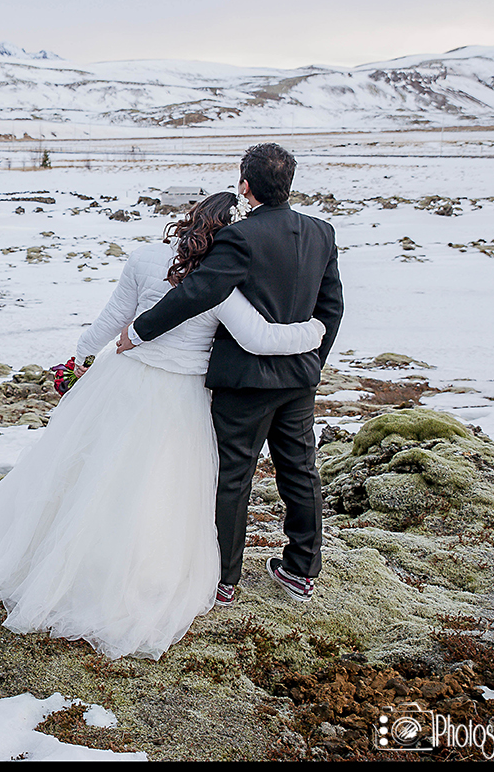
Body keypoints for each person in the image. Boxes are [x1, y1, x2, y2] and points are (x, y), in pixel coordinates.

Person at [0, 191, 326, 660]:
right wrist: (315, 331)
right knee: (156, 488)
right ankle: (135, 573)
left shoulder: (145, 258)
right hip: (181, 395)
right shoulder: (223, 282)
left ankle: (58, 559)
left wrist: (78, 357)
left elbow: (112, 320)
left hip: (122, 379)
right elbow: (258, 338)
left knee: (91, 472)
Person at [119, 142, 343, 607]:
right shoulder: (322, 232)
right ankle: (301, 570)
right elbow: (332, 308)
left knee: (233, 477)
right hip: (298, 379)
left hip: (245, 381)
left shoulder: (240, 237)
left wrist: (139, 332)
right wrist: (311, 366)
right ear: (289, 184)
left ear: (245, 186)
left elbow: (199, 291)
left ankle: (223, 579)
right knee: (301, 470)